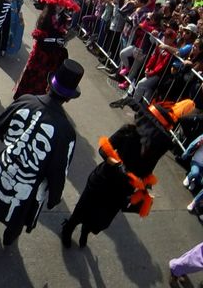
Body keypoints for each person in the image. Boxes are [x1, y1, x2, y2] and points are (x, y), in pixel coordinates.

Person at [0, 59, 84, 246]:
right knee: (19, 213)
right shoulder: (66, 132)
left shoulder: (26, 100)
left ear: (49, 85)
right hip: (31, 181)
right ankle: (9, 236)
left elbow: (1, 122)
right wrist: (55, 196)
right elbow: (58, 170)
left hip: (6, 162)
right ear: (69, 98)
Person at [61, 99, 195, 248]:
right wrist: (120, 167)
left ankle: (86, 230)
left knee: (101, 219)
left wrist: (145, 189)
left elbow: (148, 171)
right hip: (104, 179)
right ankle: (68, 228)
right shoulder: (128, 131)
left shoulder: (156, 148)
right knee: (83, 208)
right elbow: (103, 150)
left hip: (122, 191)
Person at [14, 0, 80, 99]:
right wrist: (55, 40)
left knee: (46, 78)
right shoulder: (45, 17)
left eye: (62, 6)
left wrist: (65, 39)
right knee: (34, 75)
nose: (60, 8)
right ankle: (23, 97)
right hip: (41, 53)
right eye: (58, 5)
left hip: (53, 55)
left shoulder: (64, 18)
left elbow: (61, 35)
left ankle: (38, 99)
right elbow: (39, 38)